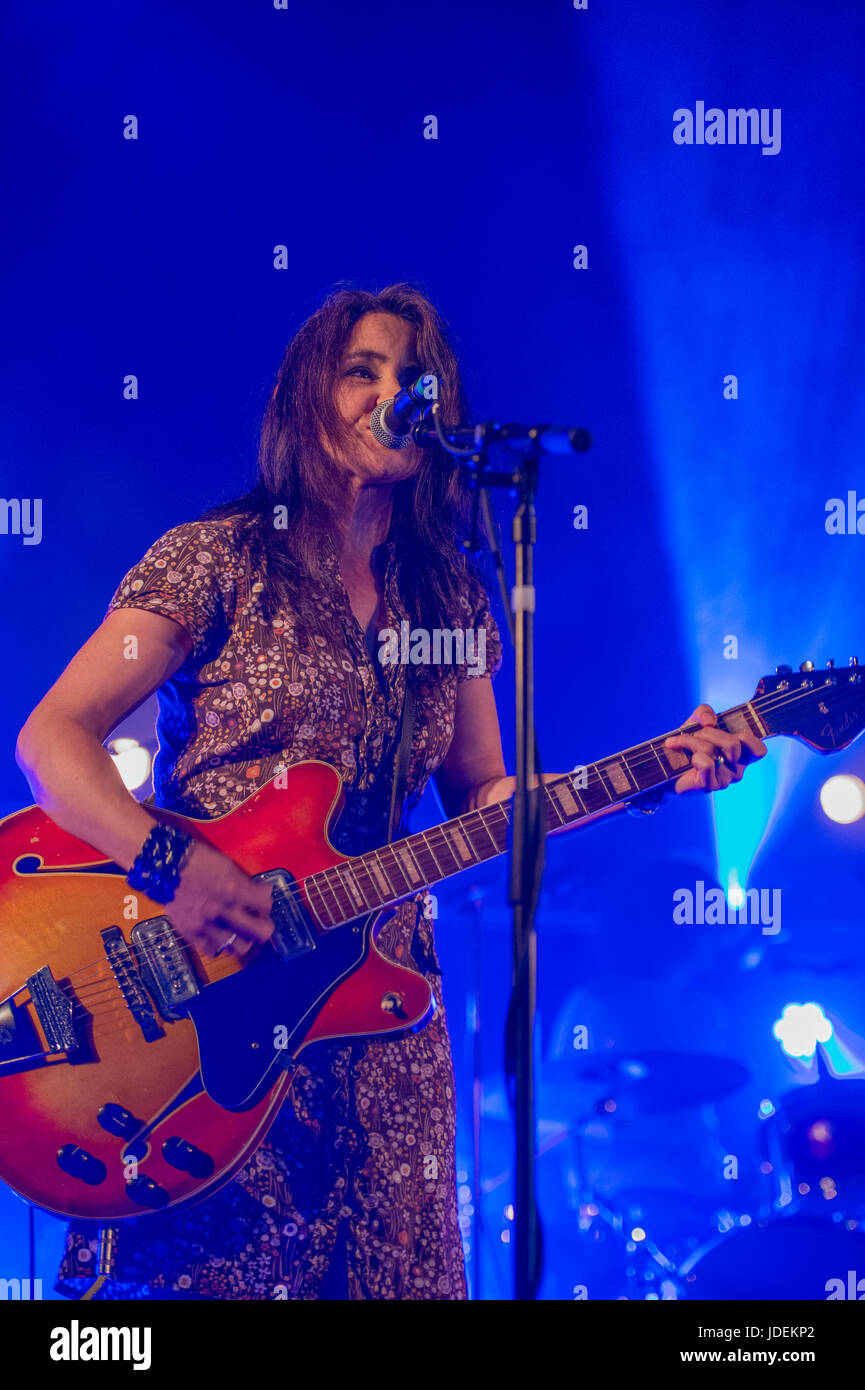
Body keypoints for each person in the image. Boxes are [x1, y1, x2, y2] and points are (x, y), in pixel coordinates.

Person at [15, 282, 767, 1300]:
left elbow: (483, 795)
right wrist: (173, 862)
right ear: (303, 400)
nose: (394, 392)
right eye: (361, 370)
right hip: (201, 987)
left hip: (379, 1015)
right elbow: (53, 737)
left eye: (417, 378)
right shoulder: (216, 561)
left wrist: (649, 775)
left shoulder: (446, 596)